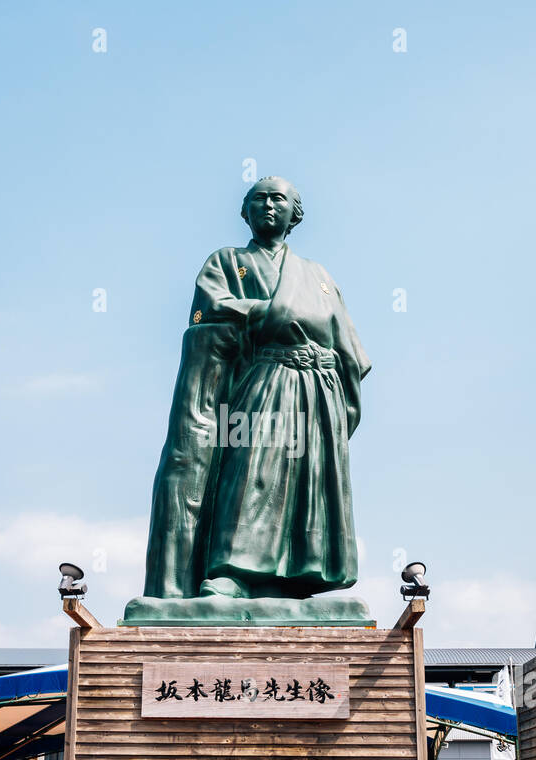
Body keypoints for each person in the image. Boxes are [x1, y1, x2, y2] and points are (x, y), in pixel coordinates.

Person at [142, 176, 370, 599]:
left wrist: (339, 397)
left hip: (317, 388)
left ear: (294, 214)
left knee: (309, 480)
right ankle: (234, 570)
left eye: (278, 198)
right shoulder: (226, 262)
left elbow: (349, 348)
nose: (268, 204)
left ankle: (296, 576)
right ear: (244, 212)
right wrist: (271, 313)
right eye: (258, 198)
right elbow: (209, 310)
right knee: (252, 473)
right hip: (263, 379)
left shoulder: (317, 275)